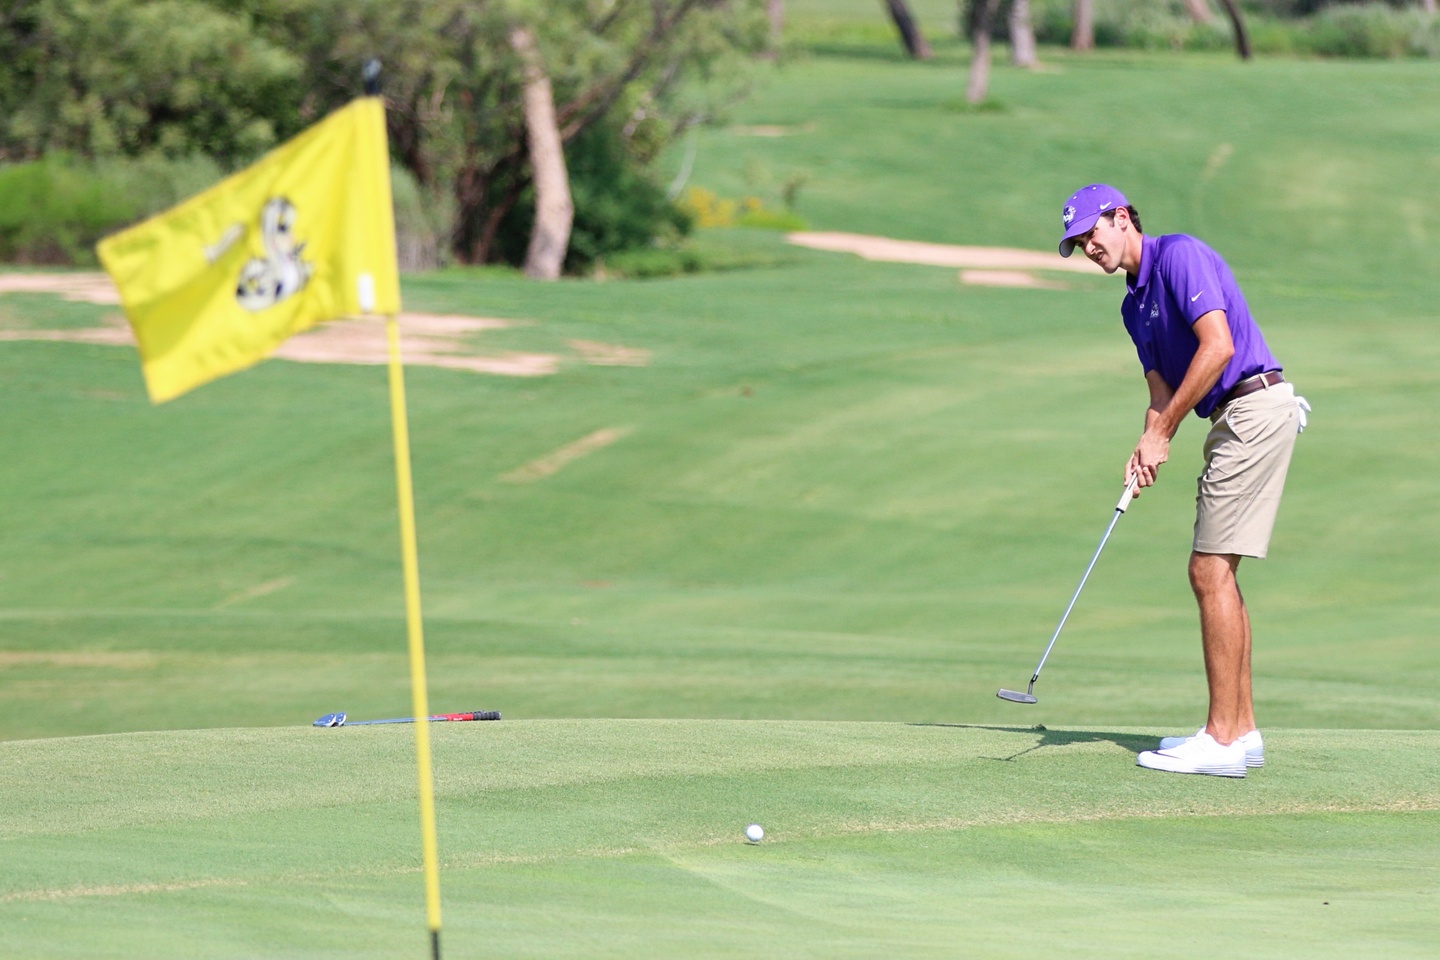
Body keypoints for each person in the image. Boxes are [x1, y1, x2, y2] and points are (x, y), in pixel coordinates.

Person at [1057, 184, 1308, 778]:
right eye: (1078, 244)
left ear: (1121, 218)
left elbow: (1218, 347)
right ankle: (1241, 733)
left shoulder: (1180, 256)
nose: (1089, 248)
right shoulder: (1130, 305)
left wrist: (1165, 431)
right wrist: (1147, 443)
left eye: (1092, 233)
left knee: (1208, 570)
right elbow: (1160, 393)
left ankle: (1218, 741)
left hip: (1254, 406)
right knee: (1218, 570)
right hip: (1230, 418)